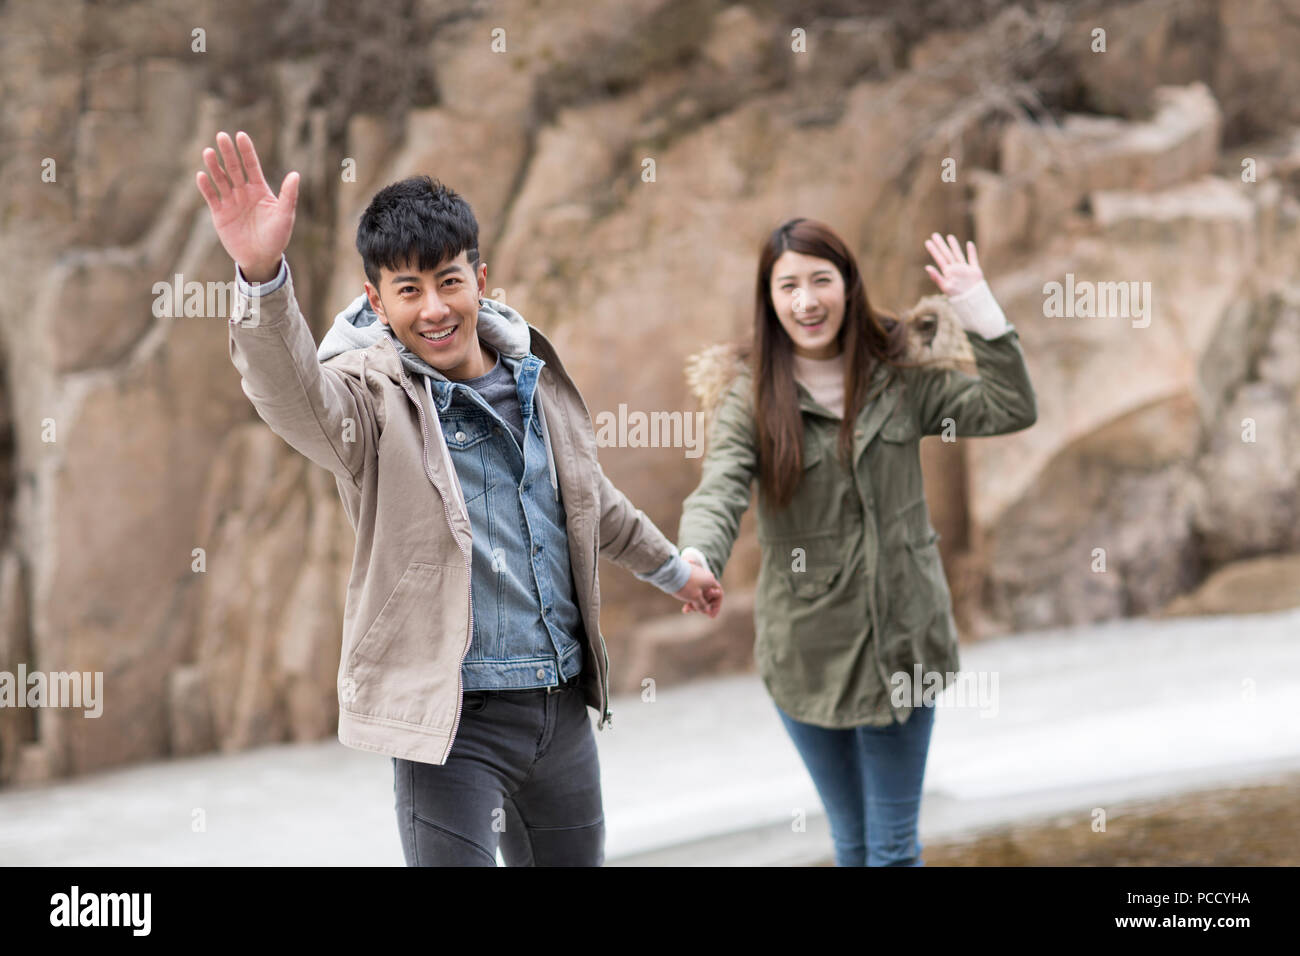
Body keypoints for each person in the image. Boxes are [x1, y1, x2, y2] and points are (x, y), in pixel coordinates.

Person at [198, 130, 723, 866]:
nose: (434, 308)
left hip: (561, 704)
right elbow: (291, 396)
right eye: (408, 291)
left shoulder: (537, 378)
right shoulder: (371, 403)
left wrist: (676, 571)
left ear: (482, 277)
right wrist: (261, 276)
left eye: (449, 281)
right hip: (451, 725)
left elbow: (589, 502)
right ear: (377, 303)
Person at [675, 217, 1037, 866]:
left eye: (821, 280)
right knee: (853, 846)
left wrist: (979, 309)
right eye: (789, 286)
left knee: (892, 851)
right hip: (808, 650)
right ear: (770, 298)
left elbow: (1011, 407)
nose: (806, 300)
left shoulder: (901, 376)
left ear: (848, 285)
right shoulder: (749, 399)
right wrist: (698, 557)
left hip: (904, 641)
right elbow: (720, 489)